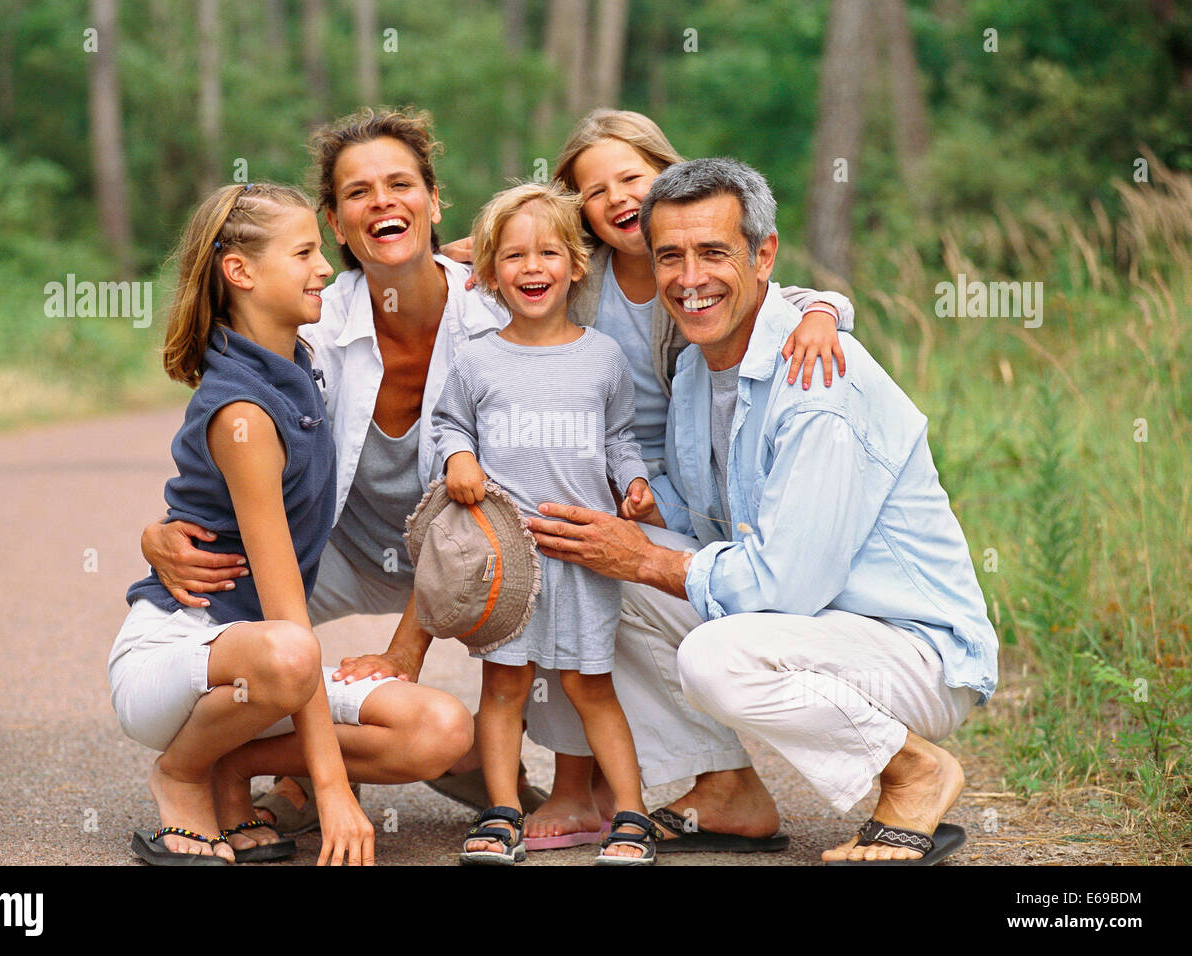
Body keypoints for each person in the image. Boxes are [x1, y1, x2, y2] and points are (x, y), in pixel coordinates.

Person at [527, 157, 999, 865]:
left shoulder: (818, 382)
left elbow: (787, 585)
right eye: (670, 258)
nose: (690, 280)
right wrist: (643, 511)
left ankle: (913, 773)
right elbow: (711, 516)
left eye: (714, 252)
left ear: (764, 254)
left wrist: (652, 555)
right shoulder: (695, 367)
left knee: (714, 657)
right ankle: (729, 790)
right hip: (815, 630)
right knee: (590, 572)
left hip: (910, 648)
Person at [138, 108, 515, 832]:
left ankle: (543, 770)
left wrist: (810, 303)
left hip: (471, 553)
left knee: (562, 569)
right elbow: (225, 443)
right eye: (357, 193)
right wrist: (157, 535)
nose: (382, 202)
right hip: (338, 547)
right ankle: (284, 768)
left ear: (435, 203)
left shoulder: (502, 309)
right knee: (258, 632)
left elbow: (618, 244)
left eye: (401, 184)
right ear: (337, 227)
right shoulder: (313, 314)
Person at [110, 183, 374, 865]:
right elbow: (288, 620)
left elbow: (412, 284)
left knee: (434, 731)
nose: (325, 268)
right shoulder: (245, 416)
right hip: (180, 653)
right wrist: (333, 788)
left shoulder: (297, 366)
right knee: (292, 654)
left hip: (252, 662)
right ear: (241, 271)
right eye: (306, 252)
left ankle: (233, 766)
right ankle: (183, 773)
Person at [433, 181, 662, 864]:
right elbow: (448, 424)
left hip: (583, 553)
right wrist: (461, 458)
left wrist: (635, 482)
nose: (532, 268)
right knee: (503, 685)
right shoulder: (476, 357)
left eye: (548, 253)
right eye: (514, 256)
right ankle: (501, 812)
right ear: (490, 273)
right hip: (508, 561)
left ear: (575, 265)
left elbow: (619, 436)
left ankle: (632, 815)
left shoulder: (601, 356)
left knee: (590, 685)